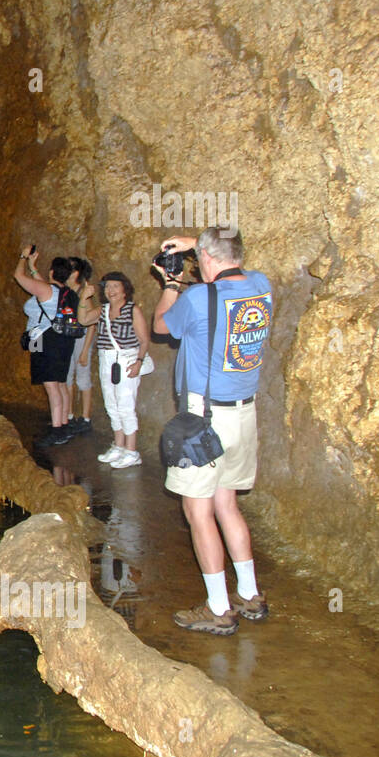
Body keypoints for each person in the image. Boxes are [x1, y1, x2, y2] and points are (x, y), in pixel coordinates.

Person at [153, 227, 274, 635]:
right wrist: (197, 244)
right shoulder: (260, 286)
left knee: (198, 510)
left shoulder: (196, 299)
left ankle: (219, 608)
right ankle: (251, 594)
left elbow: (161, 326)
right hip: (244, 415)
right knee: (228, 505)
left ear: (206, 258)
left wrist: (170, 283)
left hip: (205, 422)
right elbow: (231, 255)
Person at [15, 246, 98, 446]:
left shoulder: (46, 290)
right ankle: (63, 424)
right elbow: (42, 285)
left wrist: (23, 257)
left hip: (45, 340)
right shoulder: (67, 293)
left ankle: (57, 430)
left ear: (51, 272)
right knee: (60, 384)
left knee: (51, 386)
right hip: (60, 341)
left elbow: (18, 276)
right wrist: (33, 266)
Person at [95, 271, 151, 468]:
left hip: (126, 359)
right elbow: (84, 319)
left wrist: (138, 361)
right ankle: (118, 446)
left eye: (115, 286)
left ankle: (131, 451)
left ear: (124, 289)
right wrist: (84, 298)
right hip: (106, 359)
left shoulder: (132, 310)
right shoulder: (103, 310)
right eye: (107, 286)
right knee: (111, 404)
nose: (111, 290)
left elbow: (144, 339)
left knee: (126, 405)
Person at [62, 257, 98, 436]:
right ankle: (68, 415)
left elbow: (91, 323)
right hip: (68, 338)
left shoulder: (84, 292)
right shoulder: (65, 292)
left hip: (81, 339)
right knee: (66, 377)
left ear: (76, 273)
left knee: (82, 377)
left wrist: (85, 351)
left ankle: (85, 418)